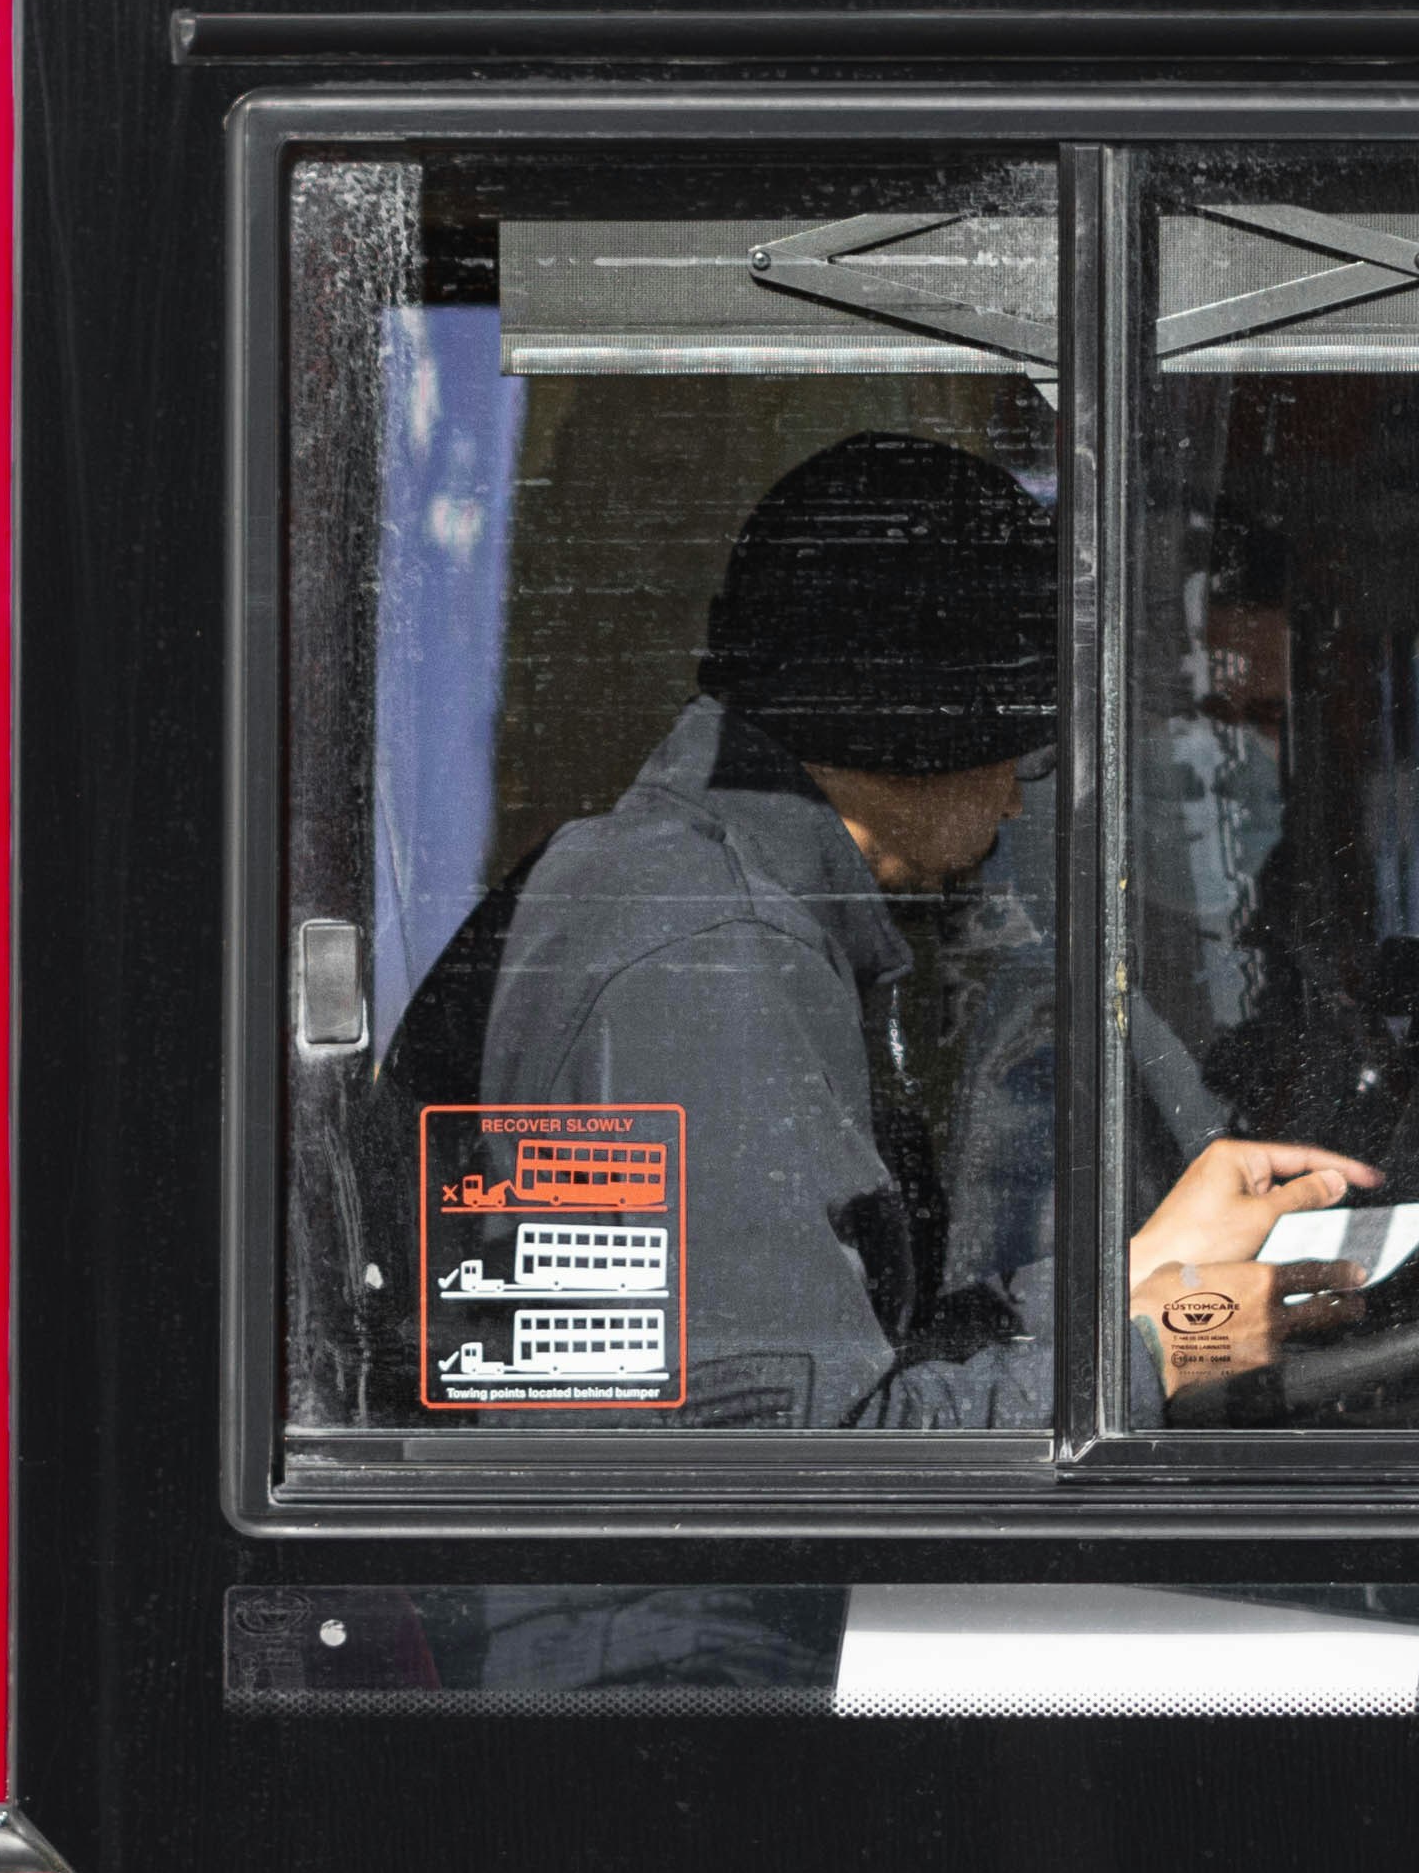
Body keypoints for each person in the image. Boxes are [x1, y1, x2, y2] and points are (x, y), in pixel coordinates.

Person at [479, 431, 1373, 1422]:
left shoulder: (680, 888)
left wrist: (1123, 1283)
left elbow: (825, 1371)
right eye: (1018, 757)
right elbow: (787, 1463)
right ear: (922, 727)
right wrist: (1170, 1348)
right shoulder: (708, 960)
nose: (1019, 806)